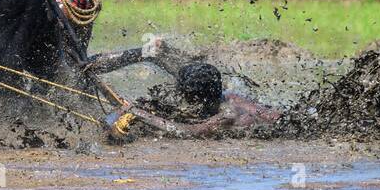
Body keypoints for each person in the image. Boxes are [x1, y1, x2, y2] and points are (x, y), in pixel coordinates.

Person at [88, 38, 282, 138]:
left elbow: (189, 132)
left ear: (197, 98)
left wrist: (140, 114)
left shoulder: (227, 114)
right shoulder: (222, 96)